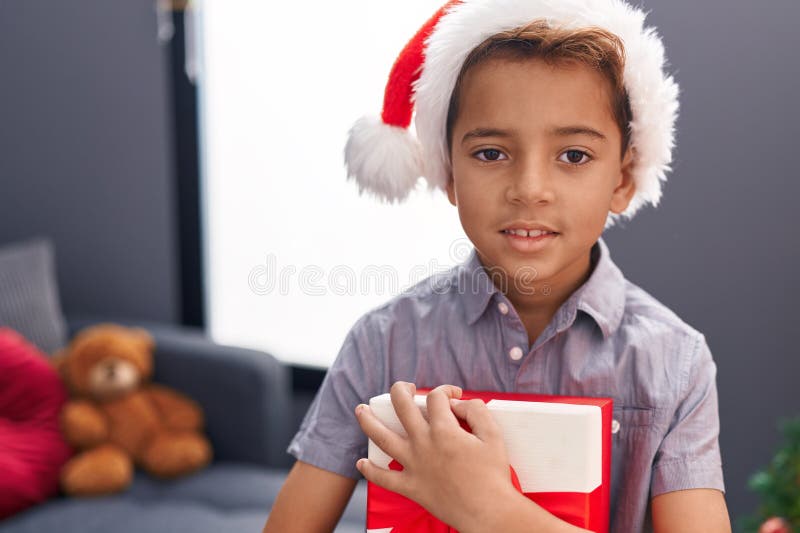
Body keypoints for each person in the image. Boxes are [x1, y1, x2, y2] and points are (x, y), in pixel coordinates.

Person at [263, 0, 731, 531]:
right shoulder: (382, 342)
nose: (530, 189)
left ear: (623, 180)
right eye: (491, 153)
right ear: (449, 176)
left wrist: (490, 509)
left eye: (573, 155)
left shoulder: (675, 364)